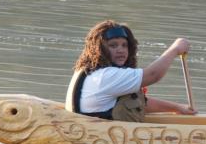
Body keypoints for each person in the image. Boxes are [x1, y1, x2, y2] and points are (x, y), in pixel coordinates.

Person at [66, 20, 196, 122]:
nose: (121, 50)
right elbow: (153, 75)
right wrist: (175, 49)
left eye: (124, 45)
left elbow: (137, 103)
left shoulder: (90, 71)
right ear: (98, 49)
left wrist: (177, 108)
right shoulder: (106, 76)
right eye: (113, 45)